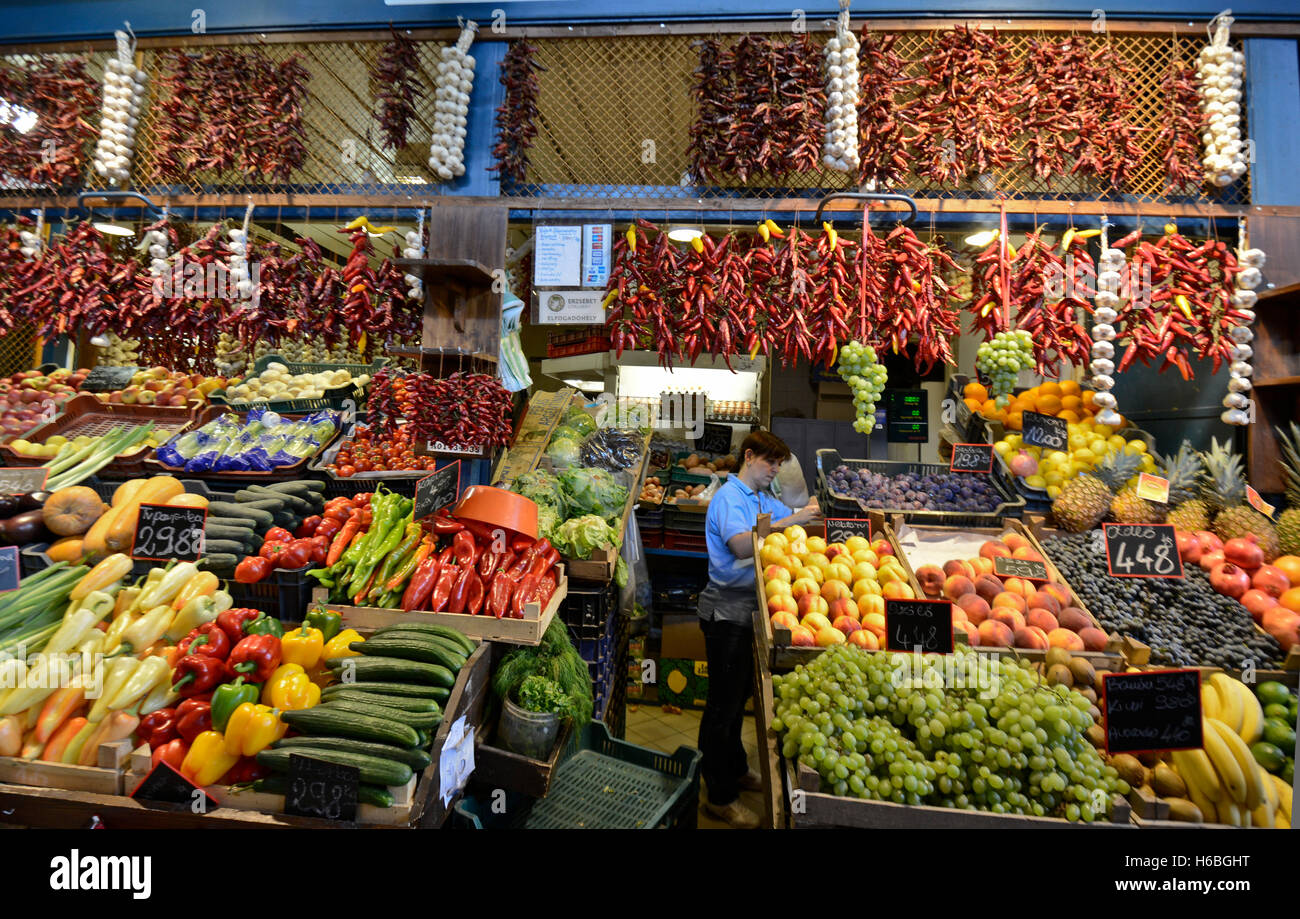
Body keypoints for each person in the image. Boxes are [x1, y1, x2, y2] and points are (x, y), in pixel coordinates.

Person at [697, 430, 819, 828]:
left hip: (752, 613)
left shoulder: (763, 499)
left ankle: (735, 769)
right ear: (749, 457)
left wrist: (804, 514)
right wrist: (794, 520)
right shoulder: (730, 498)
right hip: (726, 614)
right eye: (771, 463)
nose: (775, 470)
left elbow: (787, 520)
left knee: (738, 705)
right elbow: (740, 546)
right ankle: (718, 796)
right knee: (722, 707)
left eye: (779, 464)